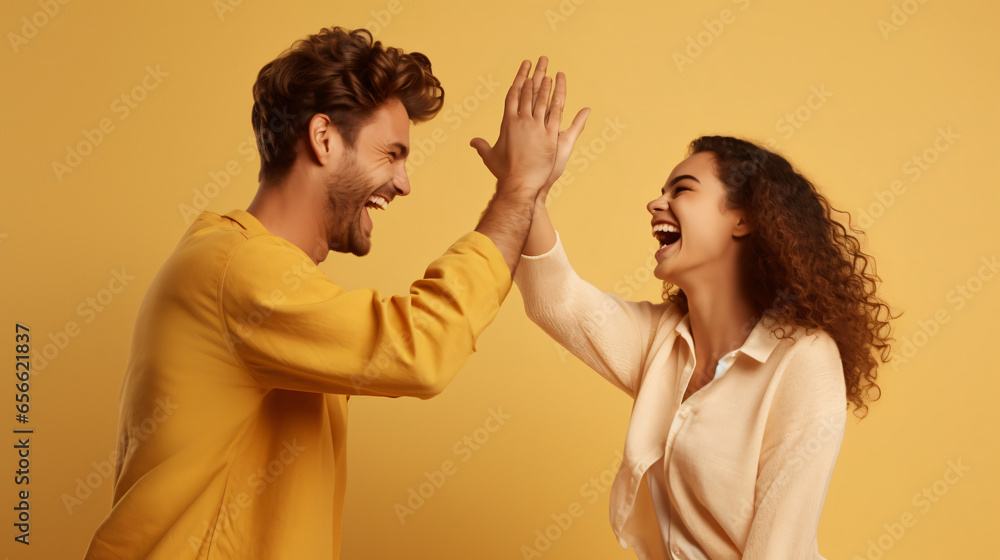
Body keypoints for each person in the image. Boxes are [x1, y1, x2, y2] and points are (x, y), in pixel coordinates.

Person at [84, 27, 576, 559]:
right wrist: (516, 191)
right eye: (391, 153)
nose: (404, 183)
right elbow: (420, 350)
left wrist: (525, 198)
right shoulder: (235, 268)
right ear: (323, 138)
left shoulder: (254, 272)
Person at [478, 64, 896, 559]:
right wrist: (527, 188)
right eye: (663, 190)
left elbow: (777, 550)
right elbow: (557, 300)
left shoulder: (803, 358)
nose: (657, 203)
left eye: (683, 190)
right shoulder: (663, 341)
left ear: (744, 219)